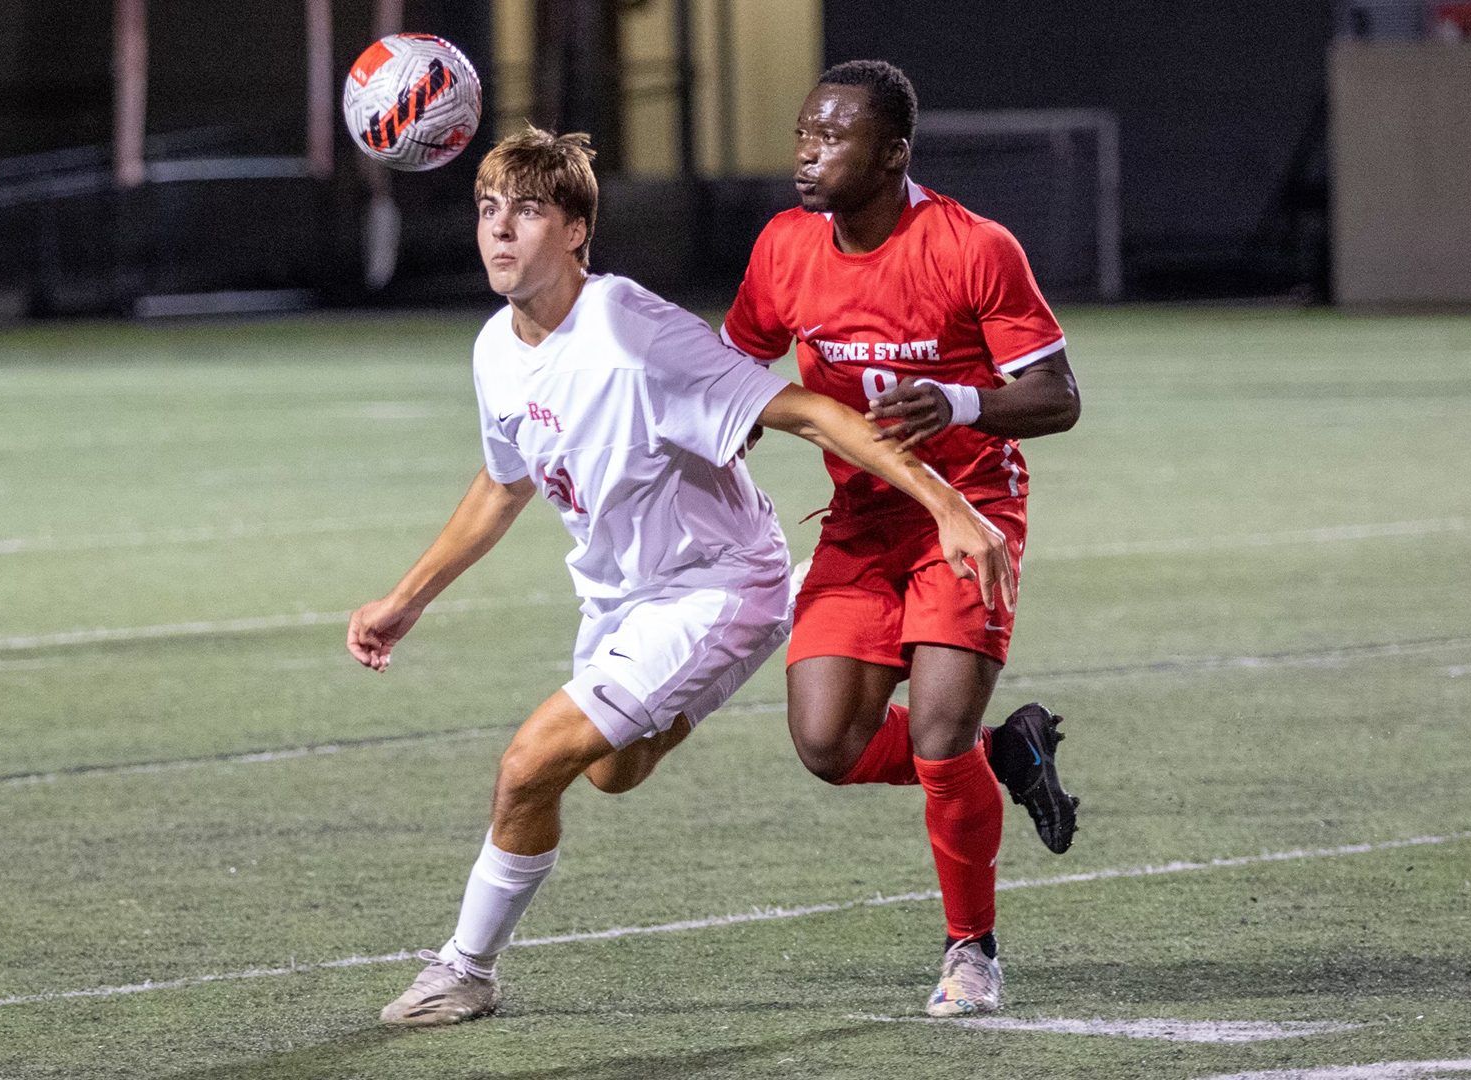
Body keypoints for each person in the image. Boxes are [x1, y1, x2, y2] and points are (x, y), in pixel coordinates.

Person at [348, 126, 1015, 1027]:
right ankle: (993, 754)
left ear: (578, 229)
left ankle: (465, 968)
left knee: (527, 767)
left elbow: (810, 411)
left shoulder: (633, 331)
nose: (501, 232)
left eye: (530, 212)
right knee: (607, 774)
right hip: (621, 601)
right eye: (487, 210)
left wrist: (945, 504)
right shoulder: (495, 348)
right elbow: (503, 483)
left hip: (717, 587)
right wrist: (405, 600)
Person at [720, 60, 1084, 1017]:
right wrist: (725, 421)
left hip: (969, 510)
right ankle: (1010, 752)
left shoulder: (973, 246)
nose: (807, 152)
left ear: (892, 154)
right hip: (864, 518)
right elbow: (739, 358)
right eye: (804, 133)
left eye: (832, 138)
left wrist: (962, 399)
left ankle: (973, 951)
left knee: (934, 732)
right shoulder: (784, 248)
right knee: (826, 742)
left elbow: (1058, 396)